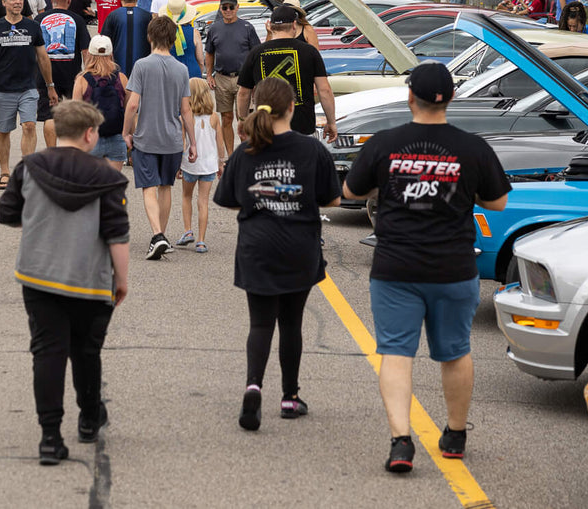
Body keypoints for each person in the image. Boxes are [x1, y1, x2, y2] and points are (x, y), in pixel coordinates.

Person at [341, 62, 510, 473]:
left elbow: (349, 190)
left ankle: (401, 442)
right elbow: (498, 203)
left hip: (396, 268)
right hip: (453, 268)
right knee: (455, 352)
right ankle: (454, 435)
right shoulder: (472, 147)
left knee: (396, 353)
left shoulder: (385, 143)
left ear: (409, 97)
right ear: (451, 98)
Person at [0, 99, 130, 466]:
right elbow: (117, 235)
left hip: (38, 275)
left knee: (48, 352)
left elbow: (8, 214)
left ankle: (50, 438)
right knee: (87, 351)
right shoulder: (108, 178)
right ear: (90, 134)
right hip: (89, 279)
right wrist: (122, 281)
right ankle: (88, 418)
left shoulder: (30, 167)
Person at [214, 76, 339, 432]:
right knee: (291, 323)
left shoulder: (247, 150)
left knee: (260, 322)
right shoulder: (311, 150)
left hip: (258, 245)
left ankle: (253, 386)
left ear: (258, 107)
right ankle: (289, 396)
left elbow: (226, 198)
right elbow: (333, 198)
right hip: (299, 246)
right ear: (292, 108)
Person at [123, 16, 197, 261]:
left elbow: (133, 104)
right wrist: (193, 143)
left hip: (147, 137)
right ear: (174, 38)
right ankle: (161, 235)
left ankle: (157, 235)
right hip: (172, 139)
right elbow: (186, 110)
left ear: (150, 37)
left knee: (148, 187)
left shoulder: (142, 65)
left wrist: (126, 133)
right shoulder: (182, 69)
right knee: (166, 187)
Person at [0, 0, 57, 190]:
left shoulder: (32, 27)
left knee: (29, 126)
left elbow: (42, 57)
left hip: (28, 88)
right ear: (4, 2)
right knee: (3, 131)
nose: (18, 2)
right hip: (3, 89)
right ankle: (5, 172)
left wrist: (50, 86)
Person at [236, 4, 337, 144]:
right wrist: (331, 122)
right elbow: (324, 90)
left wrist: (242, 120)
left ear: (270, 26)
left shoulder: (256, 53)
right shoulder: (310, 52)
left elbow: (243, 93)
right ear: (294, 25)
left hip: (265, 130)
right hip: (303, 129)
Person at [204, 0, 260, 159]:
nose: (228, 10)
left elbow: (256, 53)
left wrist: (255, 79)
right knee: (226, 118)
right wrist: (209, 75)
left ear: (237, 7)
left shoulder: (247, 28)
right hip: (221, 78)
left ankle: (246, 154)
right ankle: (231, 156)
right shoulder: (214, 28)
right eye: (224, 7)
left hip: (243, 79)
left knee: (243, 117)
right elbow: (209, 53)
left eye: (231, 7)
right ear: (220, 9)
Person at [176, 77, 224, 253]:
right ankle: (201, 240)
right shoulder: (214, 117)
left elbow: (182, 143)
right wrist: (221, 162)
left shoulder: (185, 118)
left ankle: (188, 230)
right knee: (203, 201)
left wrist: (178, 164)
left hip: (190, 164)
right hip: (209, 164)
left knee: (186, 196)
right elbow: (220, 144)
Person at [74, 36, 128, 169]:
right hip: (116, 137)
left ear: (90, 55)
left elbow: (75, 114)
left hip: (90, 138)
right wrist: (128, 135)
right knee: (113, 185)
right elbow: (128, 110)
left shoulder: (82, 79)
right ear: (111, 54)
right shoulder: (121, 78)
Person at [102, 0, 151, 78]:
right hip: (142, 71)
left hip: (117, 71)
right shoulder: (147, 16)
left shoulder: (113, 16)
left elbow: (104, 42)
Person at [164, 0, 203, 78]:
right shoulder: (194, 33)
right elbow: (200, 60)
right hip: (192, 72)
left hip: (171, 74)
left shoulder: (164, 32)